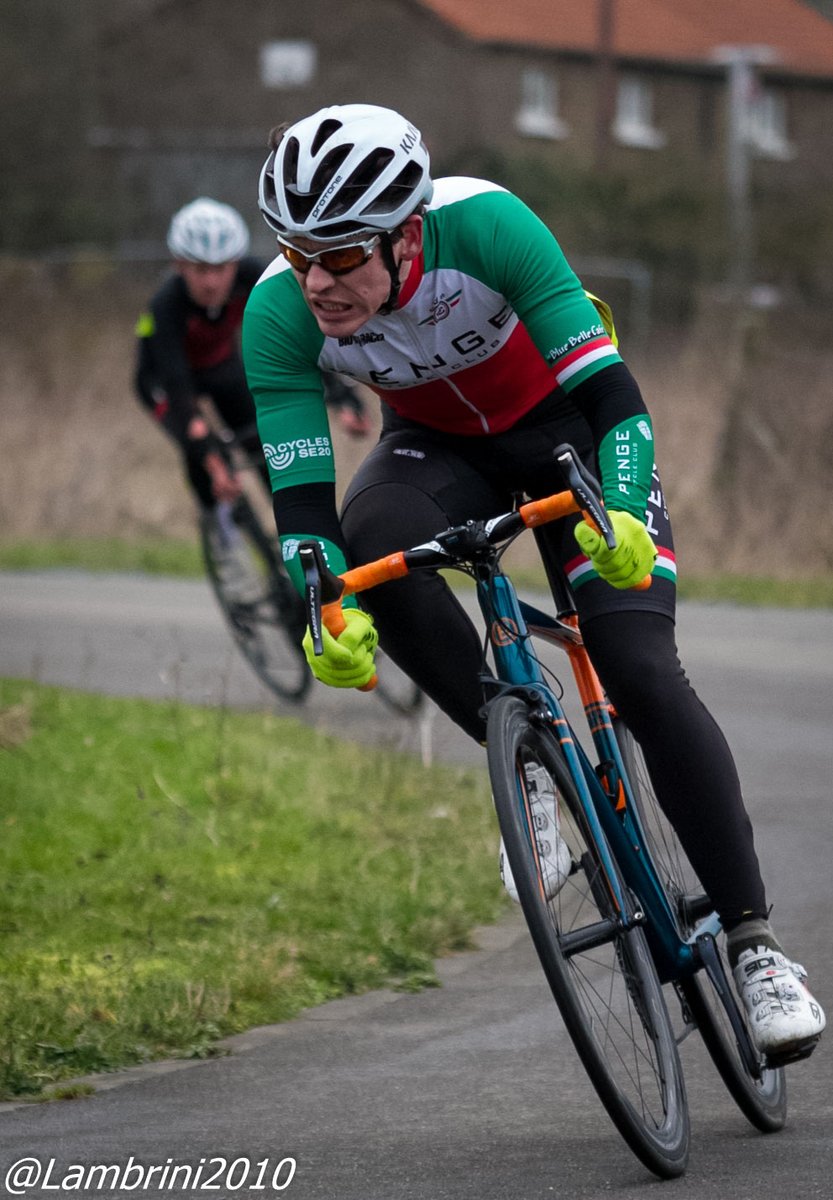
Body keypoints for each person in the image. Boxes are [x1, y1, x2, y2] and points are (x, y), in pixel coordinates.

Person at [241, 104, 825, 1062]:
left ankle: (756, 947)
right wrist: (322, 606)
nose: (316, 281)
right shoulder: (277, 314)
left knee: (638, 668)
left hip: (570, 437)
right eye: (297, 251)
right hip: (433, 450)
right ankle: (526, 765)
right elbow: (302, 514)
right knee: (370, 539)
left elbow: (616, 403)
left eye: (340, 255)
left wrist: (622, 510)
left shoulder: (490, 226)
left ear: (406, 235)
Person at [133, 197, 369, 539]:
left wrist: (342, 397)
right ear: (180, 266)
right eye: (200, 270)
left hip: (220, 366)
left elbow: (297, 334)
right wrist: (209, 455)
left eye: (221, 269)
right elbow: (177, 383)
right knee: (199, 445)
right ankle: (221, 531)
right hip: (163, 380)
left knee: (262, 444)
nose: (212, 282)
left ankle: (295, 535)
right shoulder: (165, 306)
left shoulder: (252, 276)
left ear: (236, 263)